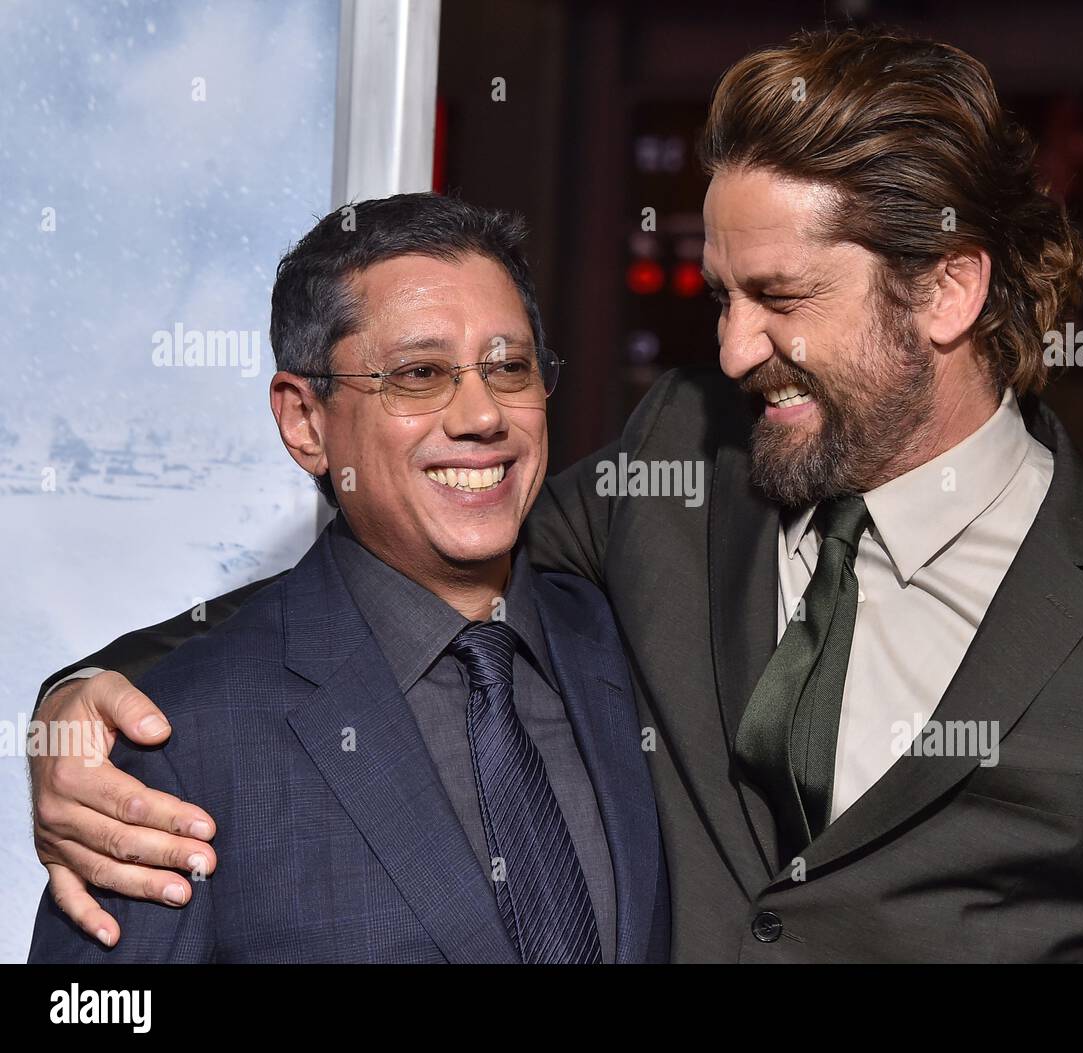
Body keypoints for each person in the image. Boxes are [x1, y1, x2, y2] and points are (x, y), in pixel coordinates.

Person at [30, 29, 1083, 963]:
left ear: (948, 291)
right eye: (721, 298)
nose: (736, 348)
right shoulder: (684, 458)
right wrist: (83, 700)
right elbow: (410, 567)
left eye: (783, 299)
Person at [28, 193, 668, 963]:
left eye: (510, 367)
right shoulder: (181, 745)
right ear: (305, 422)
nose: (483, 415)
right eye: (420, 374)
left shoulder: (634, 650)